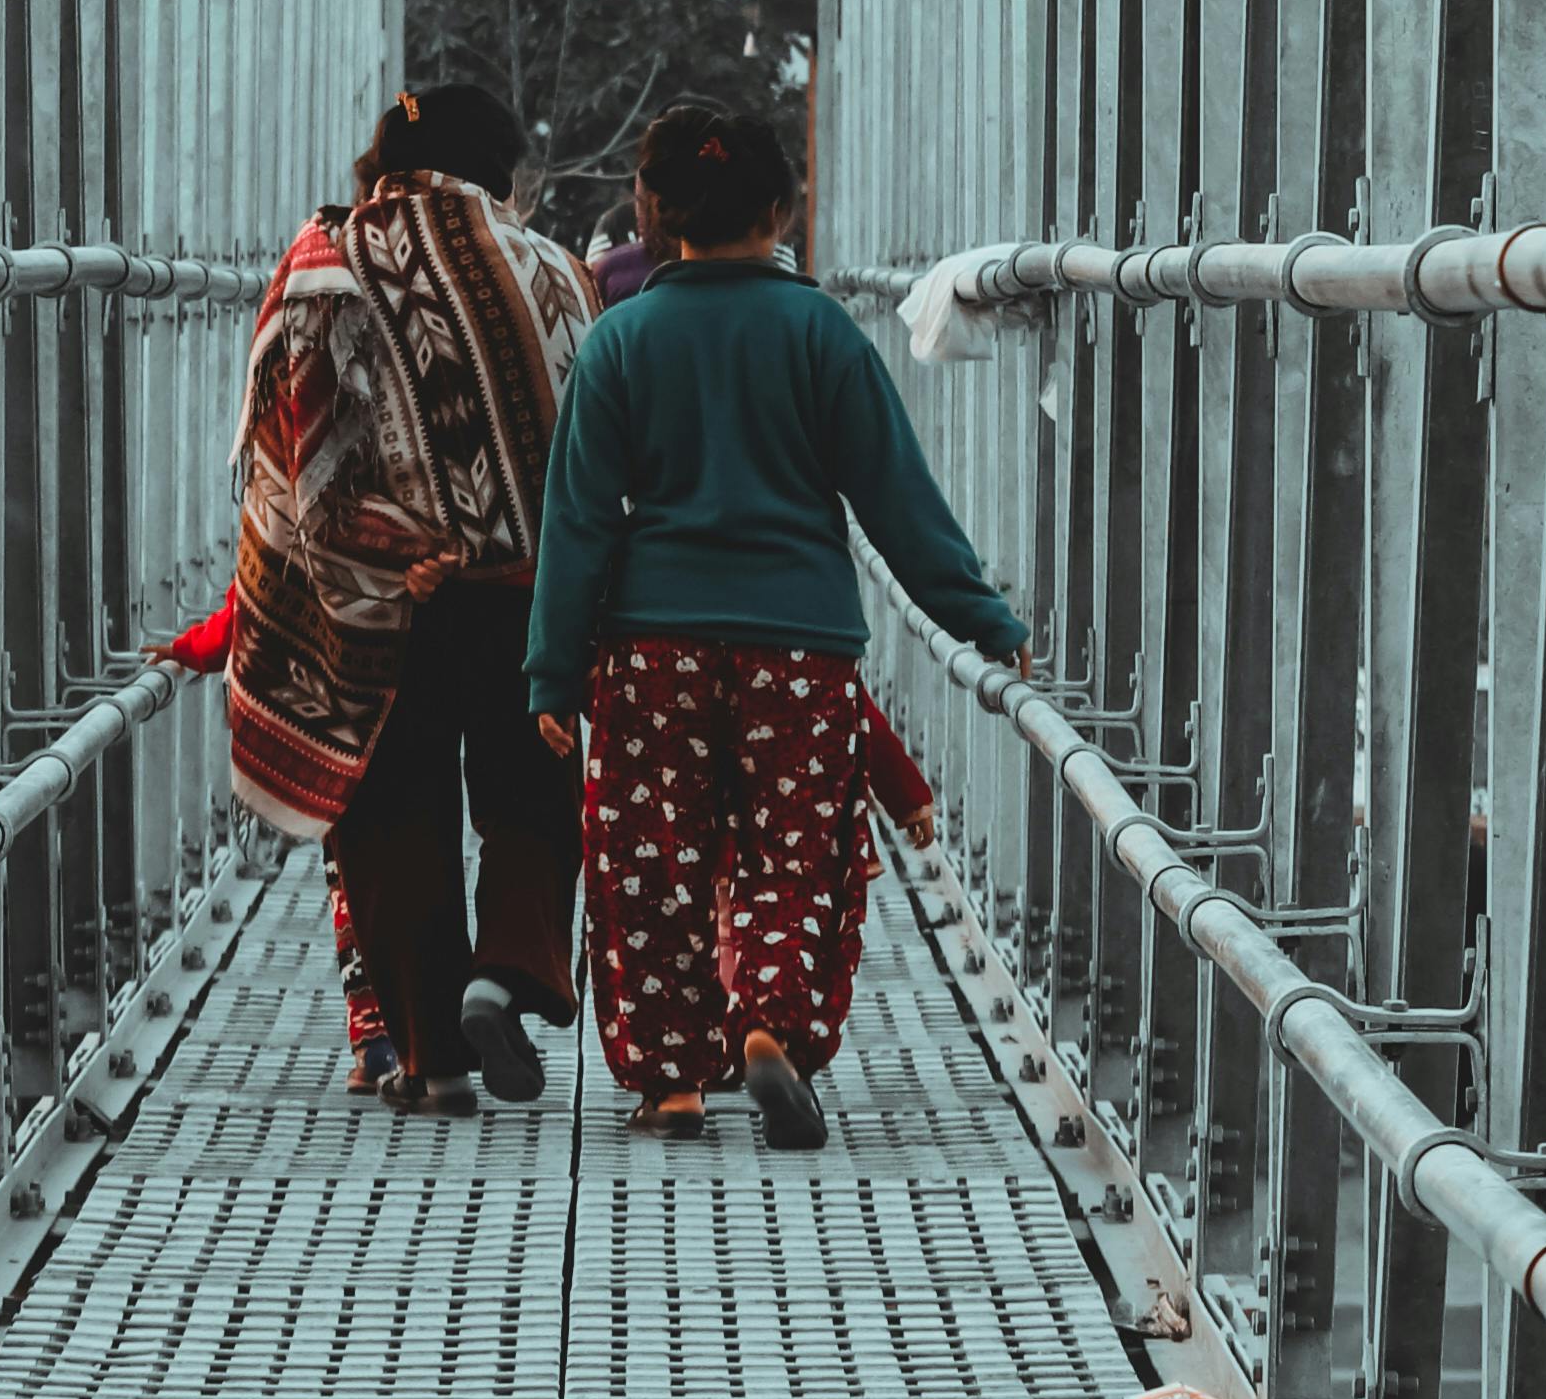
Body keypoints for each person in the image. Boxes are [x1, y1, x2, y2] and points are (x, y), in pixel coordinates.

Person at [526, 99, 1026, 1148]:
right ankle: (767, 1025)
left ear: (652, 214)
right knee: (787, 856)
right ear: (782, 207)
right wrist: (979, 616)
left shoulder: (618, 343)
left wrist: (554, 675)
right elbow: (895, 498)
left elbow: (575, 523)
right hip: (799, 647)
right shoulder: (821, 335)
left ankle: (667, 1079)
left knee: (651, 859)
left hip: (650, 643)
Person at [223, 80, 593, 1110]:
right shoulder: (556, 272)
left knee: (394, 813)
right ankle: (505, 969)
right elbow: (592, 448)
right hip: (527, 595)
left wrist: (393, 542)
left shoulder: (322, 264)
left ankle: (431, 1054)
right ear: (502, 169)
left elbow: (297, 453)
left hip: (387, 604)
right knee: (532, 795)